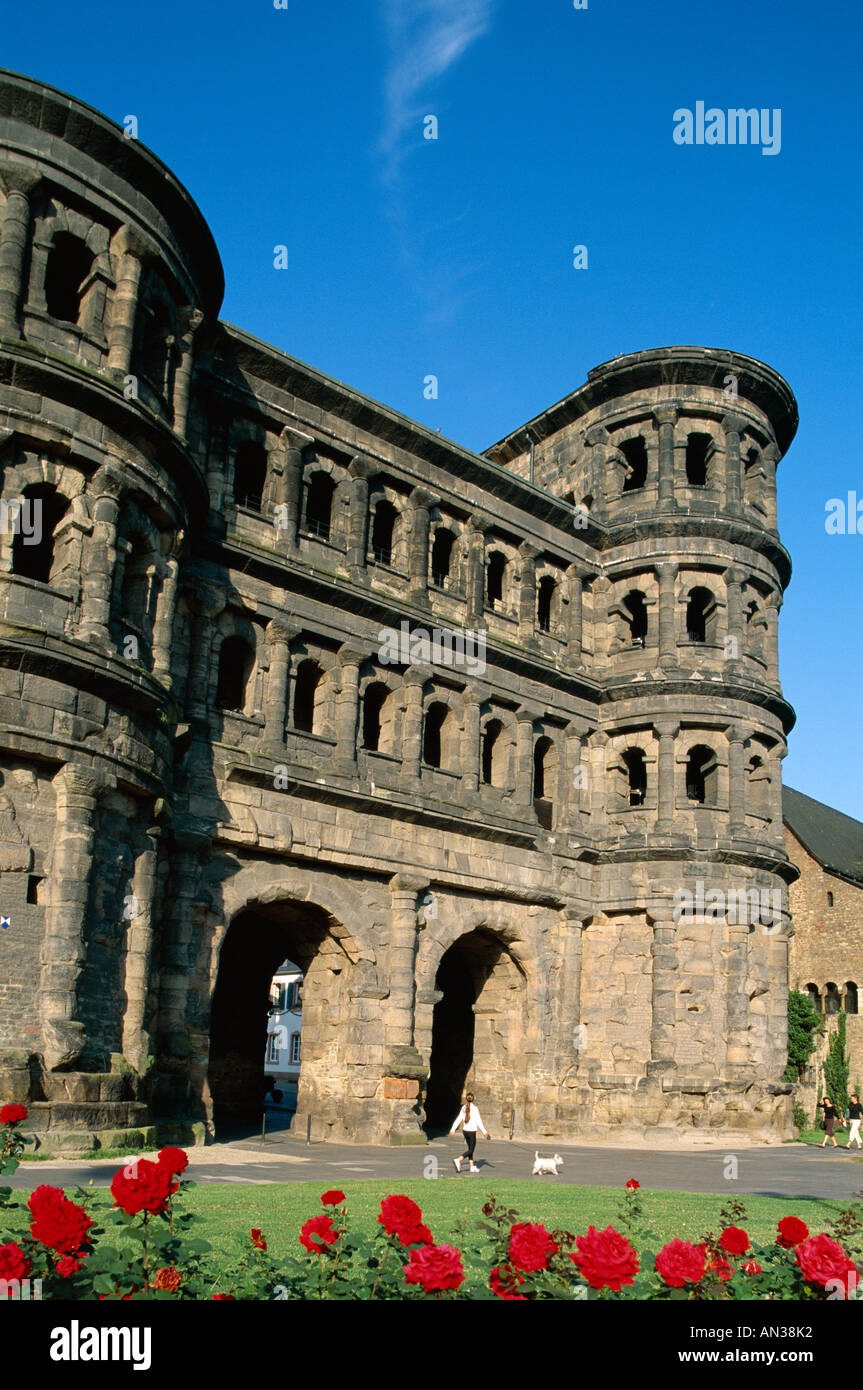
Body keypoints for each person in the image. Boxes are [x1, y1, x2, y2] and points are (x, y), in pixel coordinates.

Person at [450, 1092, 490, 1173]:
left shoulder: (464, 1107)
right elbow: (479, 1121)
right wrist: (485, 1132)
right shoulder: (475, 1108)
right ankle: (458, 1160)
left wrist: (453, 1129)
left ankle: (472, 1167)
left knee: (470, 1149)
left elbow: (459, 1118)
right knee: (471, 1150)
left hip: (465, 1131)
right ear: (473, 1099)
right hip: (472, 1132)